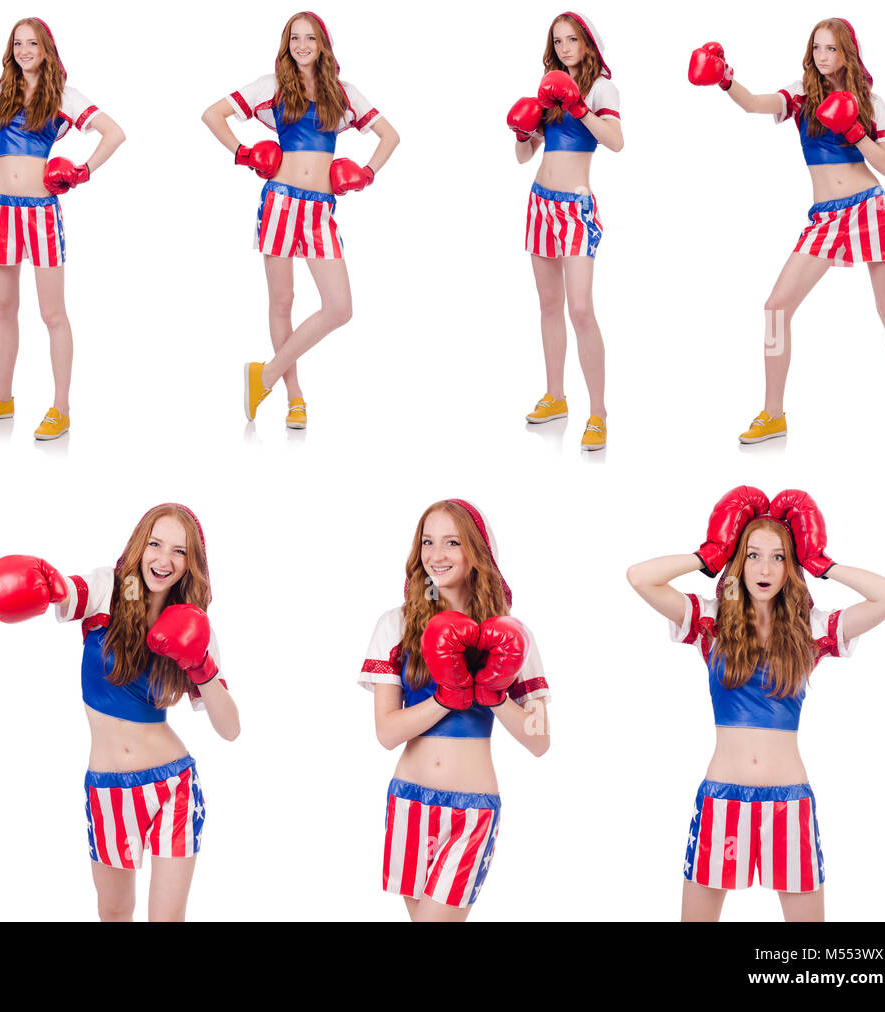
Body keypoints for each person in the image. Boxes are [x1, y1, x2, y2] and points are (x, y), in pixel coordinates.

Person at [627, 487, 885, 920]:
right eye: (753, 555)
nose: (765, 567)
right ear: (739, 561)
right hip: (722, 798)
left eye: (779, 557)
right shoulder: (711, 620)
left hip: (789, 802)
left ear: (792, 566)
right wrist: (709, 555)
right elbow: (639, 577)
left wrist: (824, 564)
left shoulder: (810, 629)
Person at [0, 504, 239, 920]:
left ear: (192, 563)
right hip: (107, 789)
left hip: (173, 786)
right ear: (140, 545)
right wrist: (45, 584)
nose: (163, 559)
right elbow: (65, 591)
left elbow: (230, 728)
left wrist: (202, 667)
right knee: (114, 912)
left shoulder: (195, 624)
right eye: (155, 544)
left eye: (179, 551)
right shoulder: (109, 588)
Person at [688, 19, 885, 440]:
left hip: (868, 208)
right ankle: (773, 412)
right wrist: (724, 78)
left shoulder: (872, 102)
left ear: (848, 52)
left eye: (830, 49)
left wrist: (854, 129)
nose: (822, 57)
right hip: (825, 216)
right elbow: (755, 103)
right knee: (776, 307)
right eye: (817, 49)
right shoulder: (801, 93)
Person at [203, 11, 399, 430]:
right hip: (279, 201)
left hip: (320, 211)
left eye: (310, 38)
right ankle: (294, 398)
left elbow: (390, 136)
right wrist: (242, 153)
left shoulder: (344, 93)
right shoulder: (272, 85)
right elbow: (212, 114)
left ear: (323, 44)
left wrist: (366, 173)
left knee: (339, 307)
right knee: (282, 301)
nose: (303, 45)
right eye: (295, 38)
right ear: (286, 44)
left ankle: (266, 375)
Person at [358, 499, 551, 921]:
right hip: (409, 799)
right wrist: (446, 696)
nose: (436, 555)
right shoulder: (396, 624)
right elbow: (387, 733)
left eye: (451, 542)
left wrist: (495, 694)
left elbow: (540, 741)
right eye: (427, 542)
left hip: (472, 808)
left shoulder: (510, 634)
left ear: (476, 552)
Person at [0, 17, 125, 439]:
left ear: (46, 48)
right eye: (18, 44)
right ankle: (2, 396)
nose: (24, 50)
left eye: (31, 43)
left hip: (41, 211)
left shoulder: (62, 94)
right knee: (3, 308)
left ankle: (60, 408)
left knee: (52, 313)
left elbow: (113, 133)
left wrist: (82, 171)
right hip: (0, 208)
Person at [507, 12, 622, 451]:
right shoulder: (548, 87)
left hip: (575, 207)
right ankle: (555, 397)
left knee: (580, 310)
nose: (565, 47)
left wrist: (578, 106)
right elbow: (523, 156)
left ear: (587, 42)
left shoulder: (600, 88)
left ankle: (598, 413)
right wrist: (522, 132)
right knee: (549, 306)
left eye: (572, 39)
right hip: (540, 202)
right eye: (558, 41)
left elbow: (616, 141)